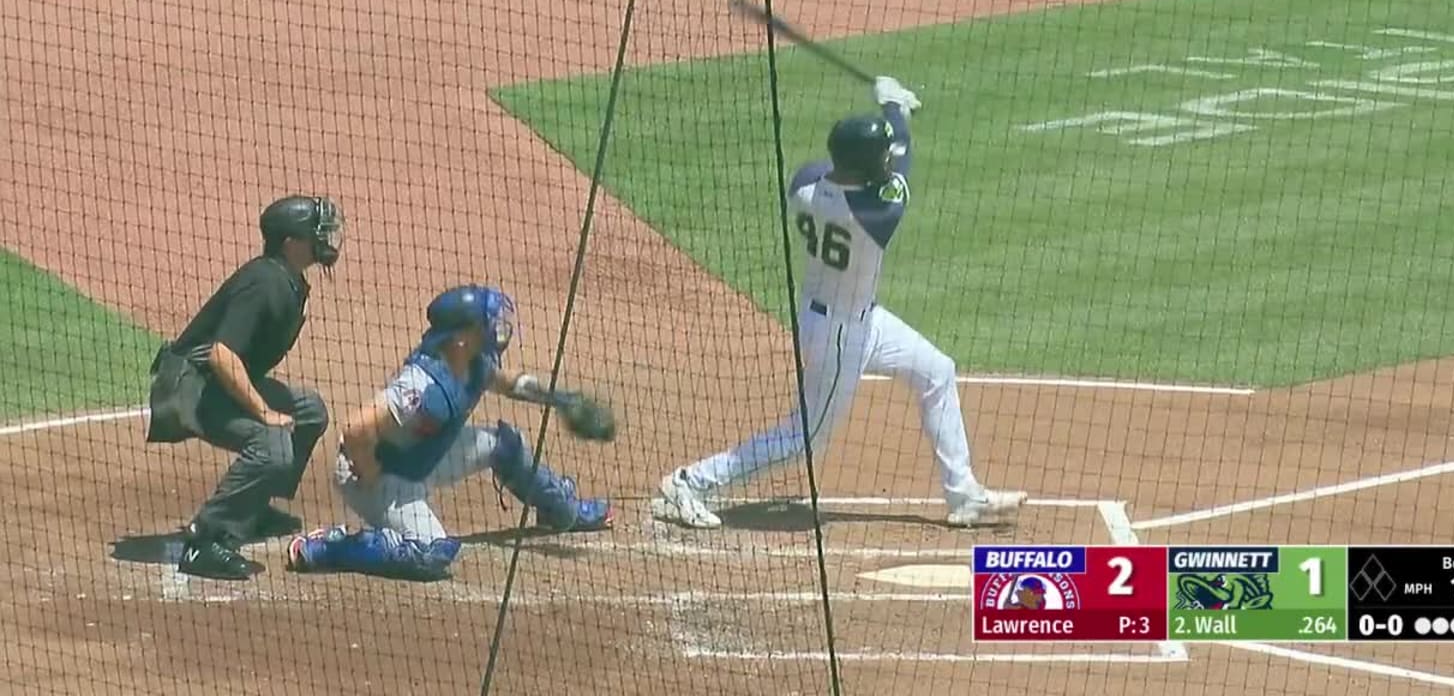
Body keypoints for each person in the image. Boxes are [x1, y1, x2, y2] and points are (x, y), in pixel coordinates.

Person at [655, 76, 1024, 530]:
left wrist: (885, 121)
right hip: (838, 335)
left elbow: (868, 163)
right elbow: (902, 160)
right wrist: (894, 109)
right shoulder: (875, 214)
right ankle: (690, 482)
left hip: (854, 319)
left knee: (936, 370)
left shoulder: (806, 185)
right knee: (806, 437)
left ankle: (965, 496)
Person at [285, 284, 611, 581]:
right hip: (380, 475)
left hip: (425, 457)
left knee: (505, 446)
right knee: (429, 553)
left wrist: (556, 398)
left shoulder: (471, 361)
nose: (496, 327)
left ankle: (560, 508)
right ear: (460, 338)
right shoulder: (421, 385)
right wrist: (370, 473)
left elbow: (504, 381)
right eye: (485, 322)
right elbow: (357, 429)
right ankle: (329, 548)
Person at [146, 194, 343, 581]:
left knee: (310, 411)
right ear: (291, 243)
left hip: (214, 382)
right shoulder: (265, 282)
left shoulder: (286, 278)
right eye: (314, 232)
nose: (324, 238)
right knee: (273, 448)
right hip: (191, 387)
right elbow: (221, 355)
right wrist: (262, 411)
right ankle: (206, 539)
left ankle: (251, 509)